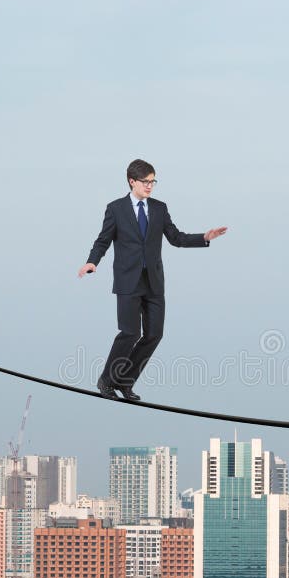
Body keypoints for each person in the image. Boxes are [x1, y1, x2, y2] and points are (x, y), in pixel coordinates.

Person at [78, 159, 228, 400]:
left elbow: (176, 237)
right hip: (128, 281)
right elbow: (103, 240)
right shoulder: (115, 209)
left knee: (154, 334)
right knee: (129, 333)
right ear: (132, 181)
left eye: (153, 182)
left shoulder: (159, 208)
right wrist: (92, 261)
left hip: (154, 282)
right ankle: (106, 381)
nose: (150, 186)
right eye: (145, 182)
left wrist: (204, 237)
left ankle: (125, 382)